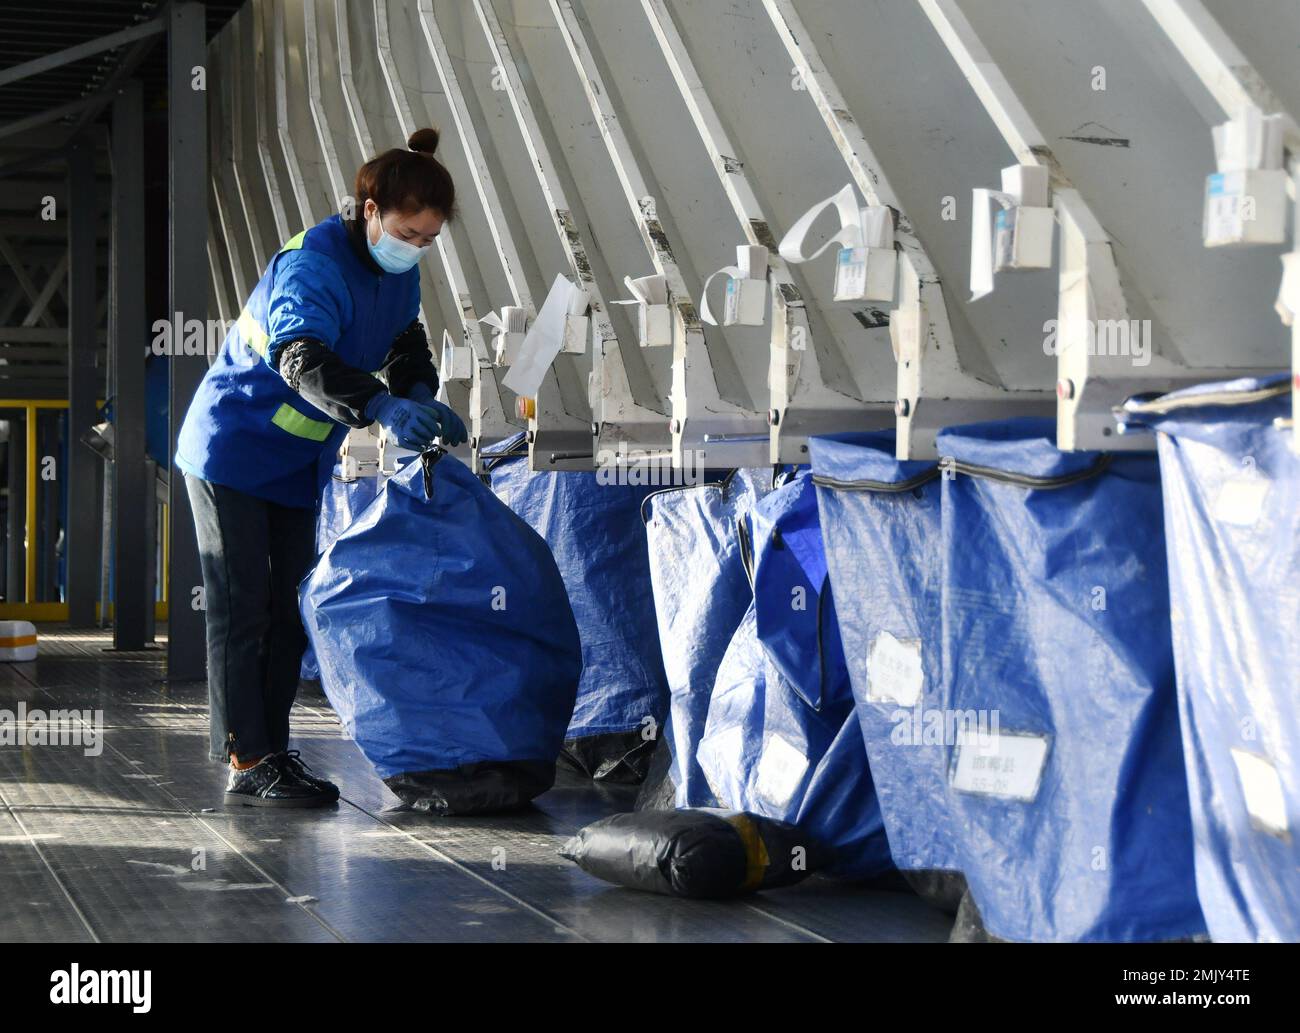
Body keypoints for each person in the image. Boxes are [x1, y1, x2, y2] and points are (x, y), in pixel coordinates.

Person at [176, 127, 468, 807]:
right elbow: (299, 357)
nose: (416, 248)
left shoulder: (398, 273)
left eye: (428, 239)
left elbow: (405, 342)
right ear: (370, 210)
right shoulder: (312, 262)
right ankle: (246, 755)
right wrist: (382, 408)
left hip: (296, 460)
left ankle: (272, 751)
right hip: (233, 447)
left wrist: (421, 393)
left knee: (287, 608)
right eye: (407, 232)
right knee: (241, 603)